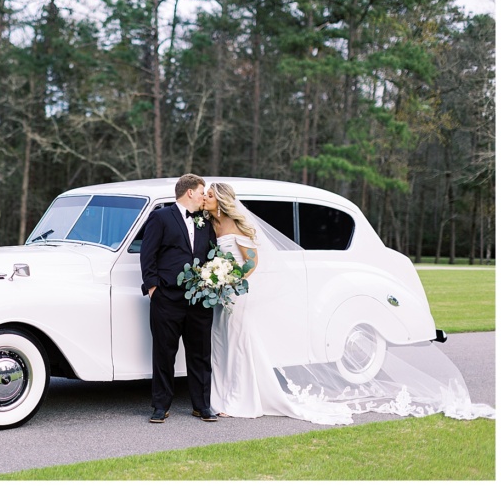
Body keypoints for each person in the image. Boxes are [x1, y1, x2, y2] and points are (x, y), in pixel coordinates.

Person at [203, 182, 494, 424]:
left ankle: (242, 399)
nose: (205, 198)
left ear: (222, 200)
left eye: (210, 195)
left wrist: (229, 279)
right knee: (226, 341)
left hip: (239, 292)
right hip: (229, 294)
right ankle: (227, 394)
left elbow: (252, 261)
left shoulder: (236, 223)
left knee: (240, 343)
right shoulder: (210, 221)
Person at [140, 174, 219, 423]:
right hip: (167, 298)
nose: (204, 195)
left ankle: (201, 406)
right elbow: (147, 253)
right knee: (164, 353)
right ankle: (160, 406)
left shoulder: (205, 222)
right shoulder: (161, 217)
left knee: (200, 354)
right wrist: (153, 289)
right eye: (201, 190)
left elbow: (212, 256)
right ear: (189, 193)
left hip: (199, 301)